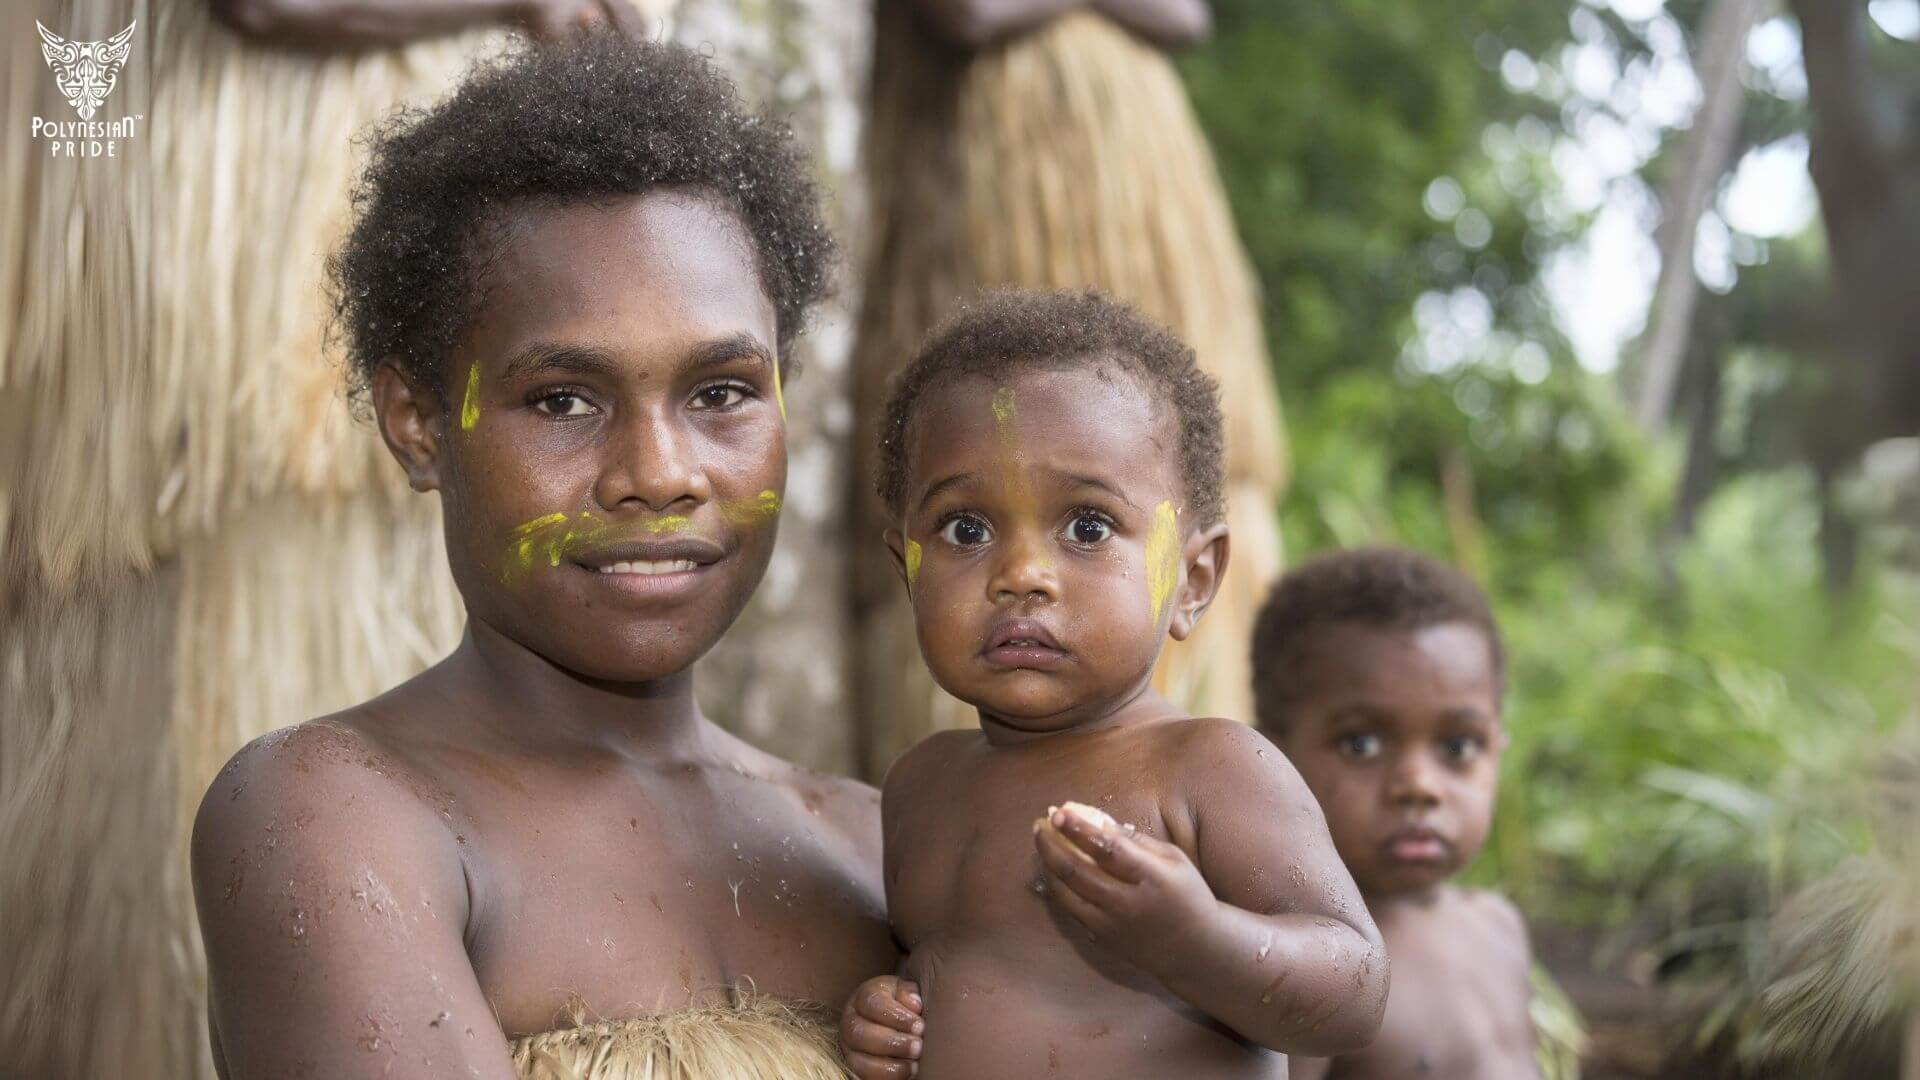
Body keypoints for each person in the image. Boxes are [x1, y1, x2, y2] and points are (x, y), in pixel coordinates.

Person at [189, 33, 894, 1079]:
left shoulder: (873, 846)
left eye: (721, 392)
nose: (659, 474)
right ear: (419, 424)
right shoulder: (336, 815)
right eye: (563, 400)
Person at [837, 289, 1386, 1079]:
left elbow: (1355, 990)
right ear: (908, 569)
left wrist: (1196, 939)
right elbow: (957, 975)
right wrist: (881, 1017)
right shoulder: (920, 786)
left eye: (1087, 528)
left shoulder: (1210, 768)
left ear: (1192, 581)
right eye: (966, 529)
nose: (1021, 574)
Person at [1251, 547, 1539, 1079]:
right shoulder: (1310, 967)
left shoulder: (1499, 928)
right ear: (1272, 759)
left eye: (1457, 747)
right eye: (1360, 743)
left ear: (1498, 747)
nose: (1419, 786)